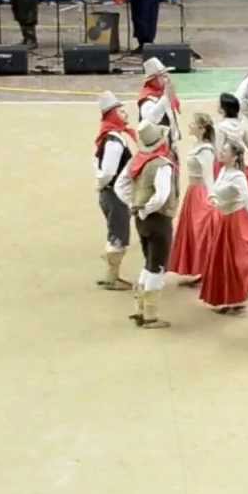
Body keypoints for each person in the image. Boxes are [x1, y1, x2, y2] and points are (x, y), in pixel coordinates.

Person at [114, 120, 179, 329]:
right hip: (158, 219)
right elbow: (161, 196)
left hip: (141, 220)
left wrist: (134, 204)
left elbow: (120, 185)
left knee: (148, 262)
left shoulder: (137, 161)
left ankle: (139, 308)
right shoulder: (162, 165)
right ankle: (150, 315)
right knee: (157, 267)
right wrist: (146, 208)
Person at [201, 138, 248, 314]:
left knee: (235, 260)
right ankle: (231, 300)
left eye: (225, 151)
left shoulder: (238, 176)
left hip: (237, 221)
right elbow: (217, 191)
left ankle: (240, 299)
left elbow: (247, 198)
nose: (221, 153)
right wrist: (214, 198)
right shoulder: (224, 170)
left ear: (234, 157)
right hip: (225, 219)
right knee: (225, 260)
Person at [167, 113, 218, 286]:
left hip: (199, 192)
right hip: (193, 191)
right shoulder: (199, 146)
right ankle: (204, 271)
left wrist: (211, 197)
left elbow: (208, 176)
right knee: (195, 232)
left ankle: (207, 271)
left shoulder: (205, 150)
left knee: (200, 233)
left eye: (193, 123)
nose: (190, 125)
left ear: (202, 128)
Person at [93, 91, 135, 291]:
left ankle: (111, 274)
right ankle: (112, 277)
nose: (125, 113)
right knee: (118, 235)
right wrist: (102, 184)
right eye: (121, 110)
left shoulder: (109, 136)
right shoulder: (114, 141)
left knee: (115, 232)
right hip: (115, 194)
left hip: (109, 193)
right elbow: (108, 171)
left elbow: (97, 164)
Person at [137, 57, 181, 154]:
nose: (168, 78)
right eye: (163, 76)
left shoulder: (161, 94)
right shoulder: (147, 100)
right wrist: (166, 97)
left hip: (168, 146)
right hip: (155, 150)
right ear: (153, 80)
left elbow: (171, 119)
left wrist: (174, 139)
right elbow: (151, 120)